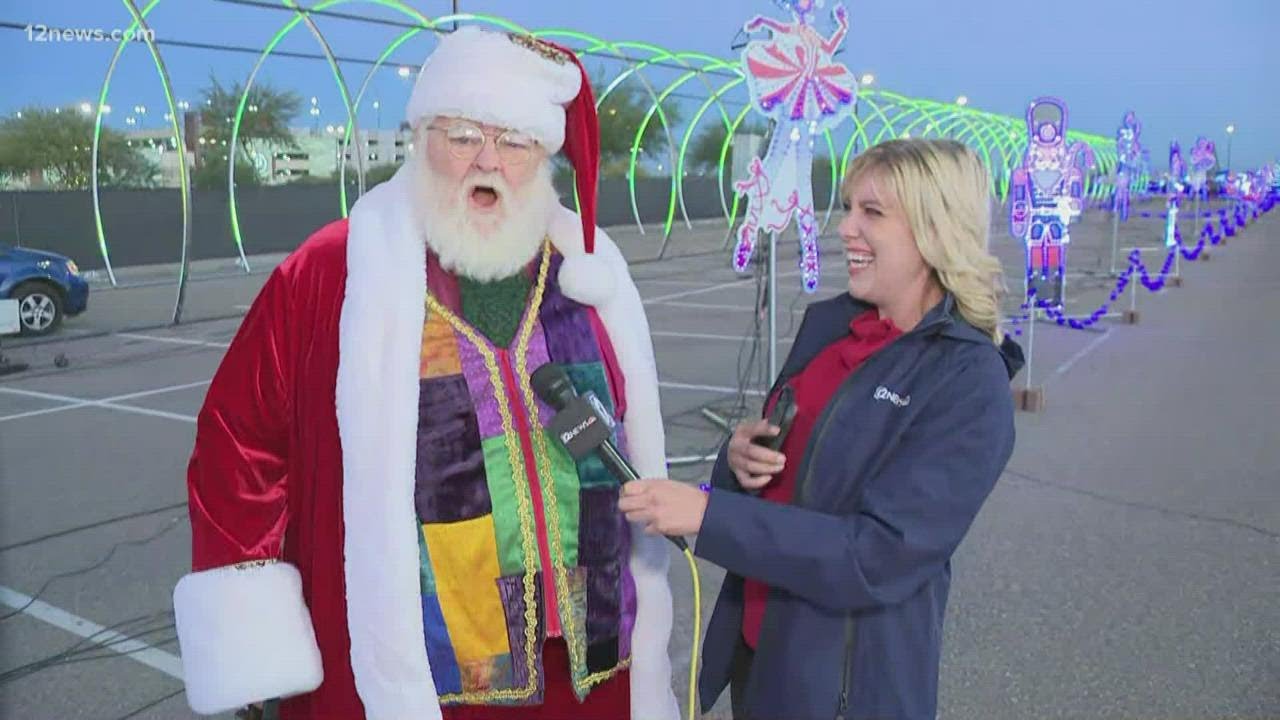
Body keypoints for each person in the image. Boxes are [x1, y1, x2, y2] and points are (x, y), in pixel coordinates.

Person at [173, 26, 680, 720]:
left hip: (590, 665)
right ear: (422, 136)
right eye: (464, 134)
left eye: (515, 141)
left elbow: (605, 431)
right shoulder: (333, 274)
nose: (489, 162)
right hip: (417, 676)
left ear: (543, 156)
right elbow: (240, 443)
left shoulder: (589, 276)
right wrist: (256, 636)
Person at [619, 138, 1022, 719]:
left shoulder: (968, 380)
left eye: (872, 213)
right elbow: (787, 474)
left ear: (935, 230)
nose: (846, 228)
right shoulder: (830, 330)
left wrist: (710, 515)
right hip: (761, 659)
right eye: (849, 206)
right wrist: (738, 463)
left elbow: (878, 555)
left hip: (844, 688)